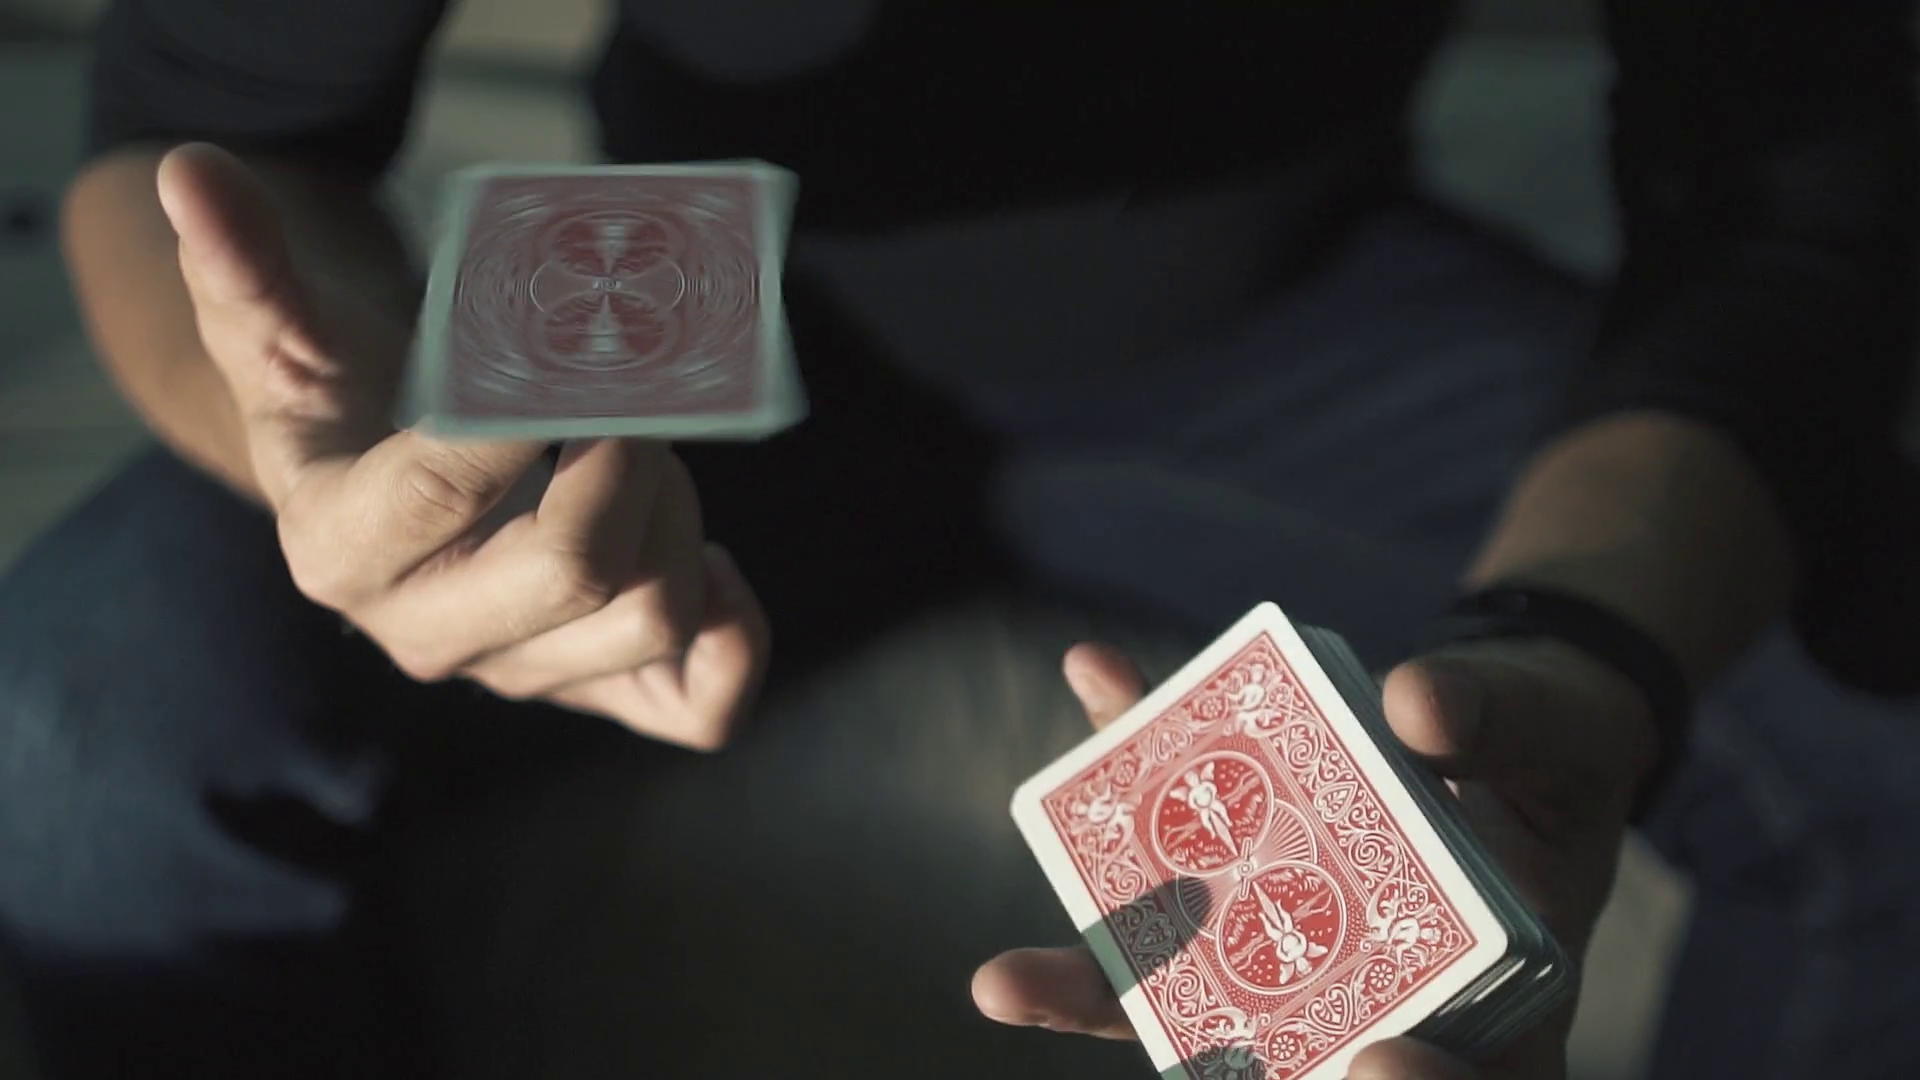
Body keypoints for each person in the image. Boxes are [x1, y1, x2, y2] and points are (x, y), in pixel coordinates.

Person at [3, 1, 1918, 1078]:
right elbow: (205, 125)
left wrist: (1593, 640)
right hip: (707, 293)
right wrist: (327, 455)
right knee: (78, 723)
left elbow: (1796, 199)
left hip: (1290, 309)